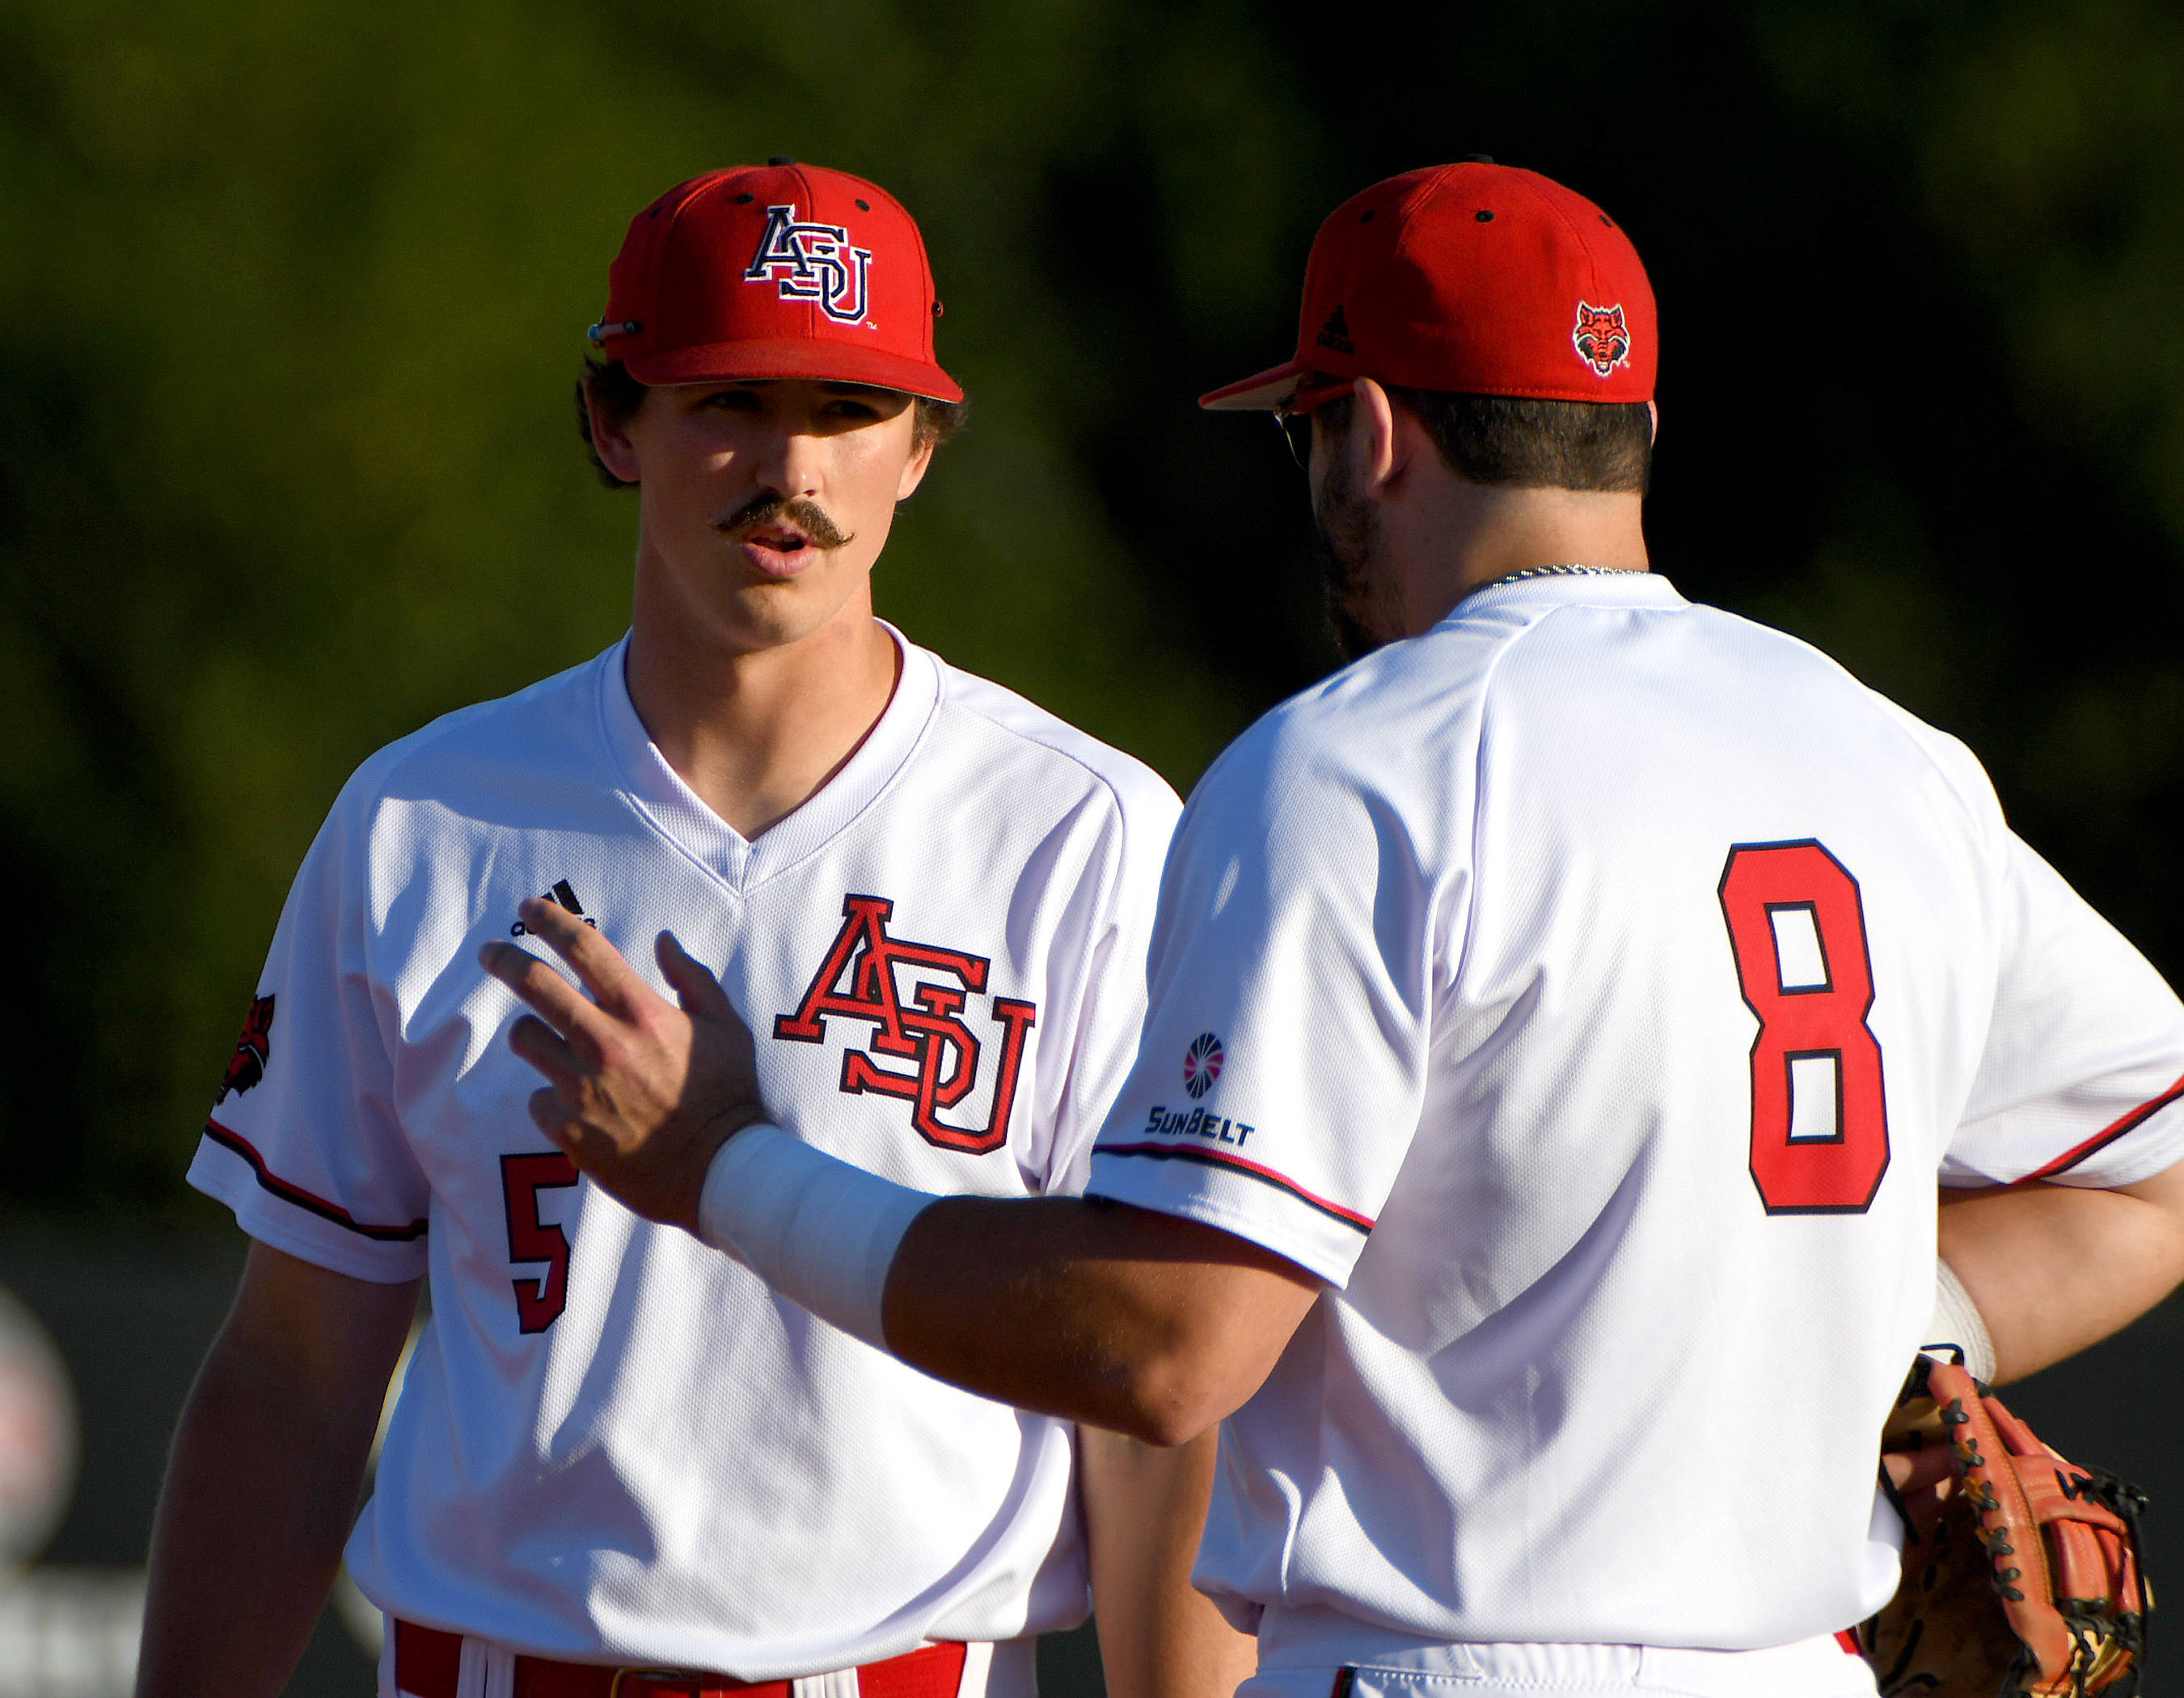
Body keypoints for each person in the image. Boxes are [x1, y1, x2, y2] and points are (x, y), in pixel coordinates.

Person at [484, 163, 2184, 1698]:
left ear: (1365, 429)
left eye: (1302, 427)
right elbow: (2157, 1166)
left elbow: (1167, 1348)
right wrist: (1884, 1317)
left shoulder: (1364, 760)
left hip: (1437, 1666)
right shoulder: (1882, 756)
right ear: (1629, 431)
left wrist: (723, 1169)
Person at [138, 159, 1252, 1698]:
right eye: (727, 397)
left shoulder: (1086, 834)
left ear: (921, 448)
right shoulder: (426, 820)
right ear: (613, 424)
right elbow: (295, 1373)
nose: (787, 463)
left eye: (850, 411)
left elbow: (1159, 1407)